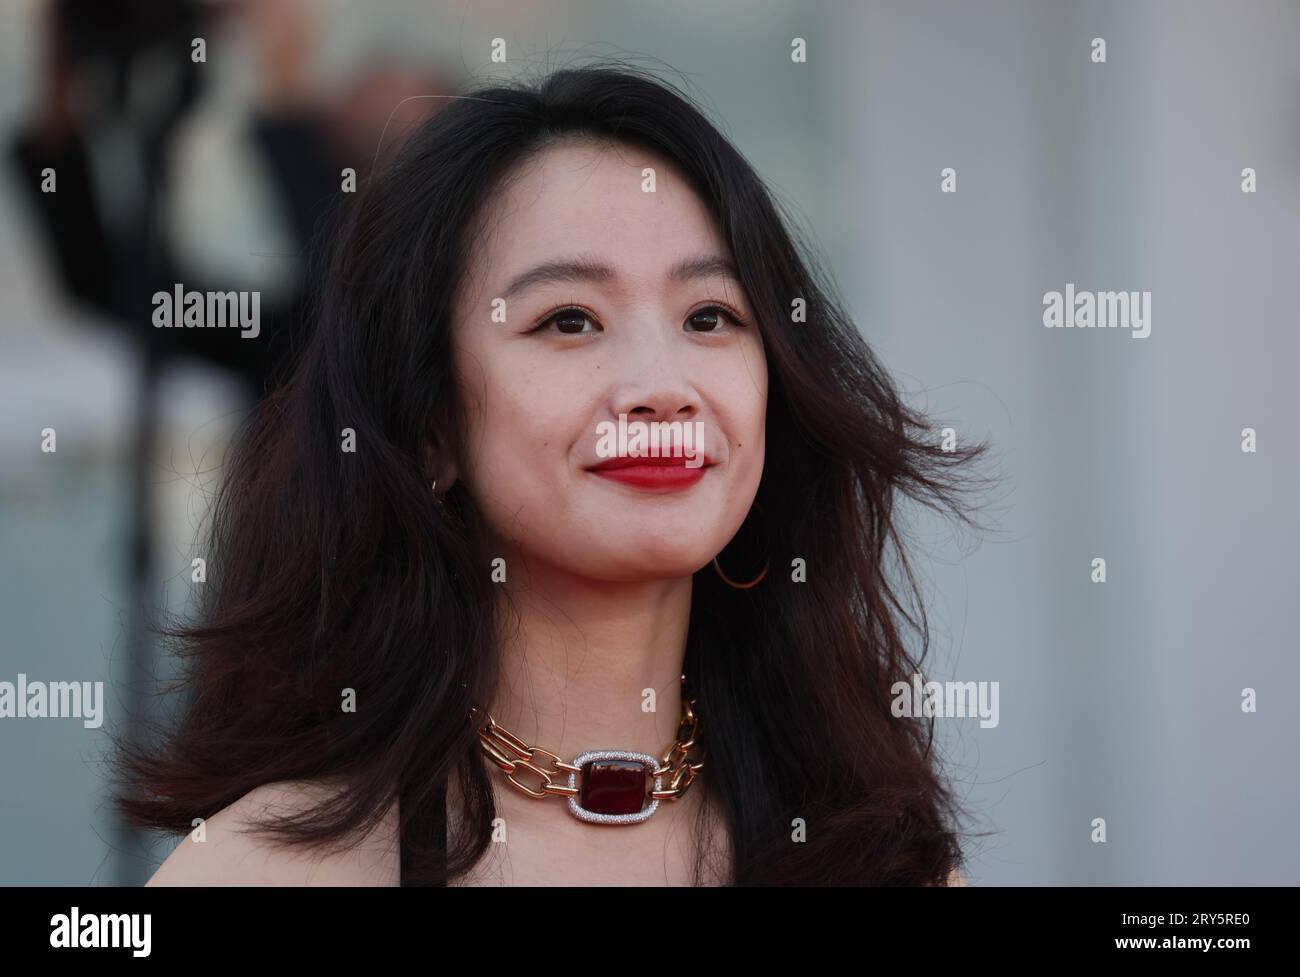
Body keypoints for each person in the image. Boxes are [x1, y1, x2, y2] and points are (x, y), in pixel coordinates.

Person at [116, 61, 992, 886]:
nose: (661, 387)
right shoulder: (272, 869)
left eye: (711, 314)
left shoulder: (873, 857)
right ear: (431, 430)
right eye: (569, 320)